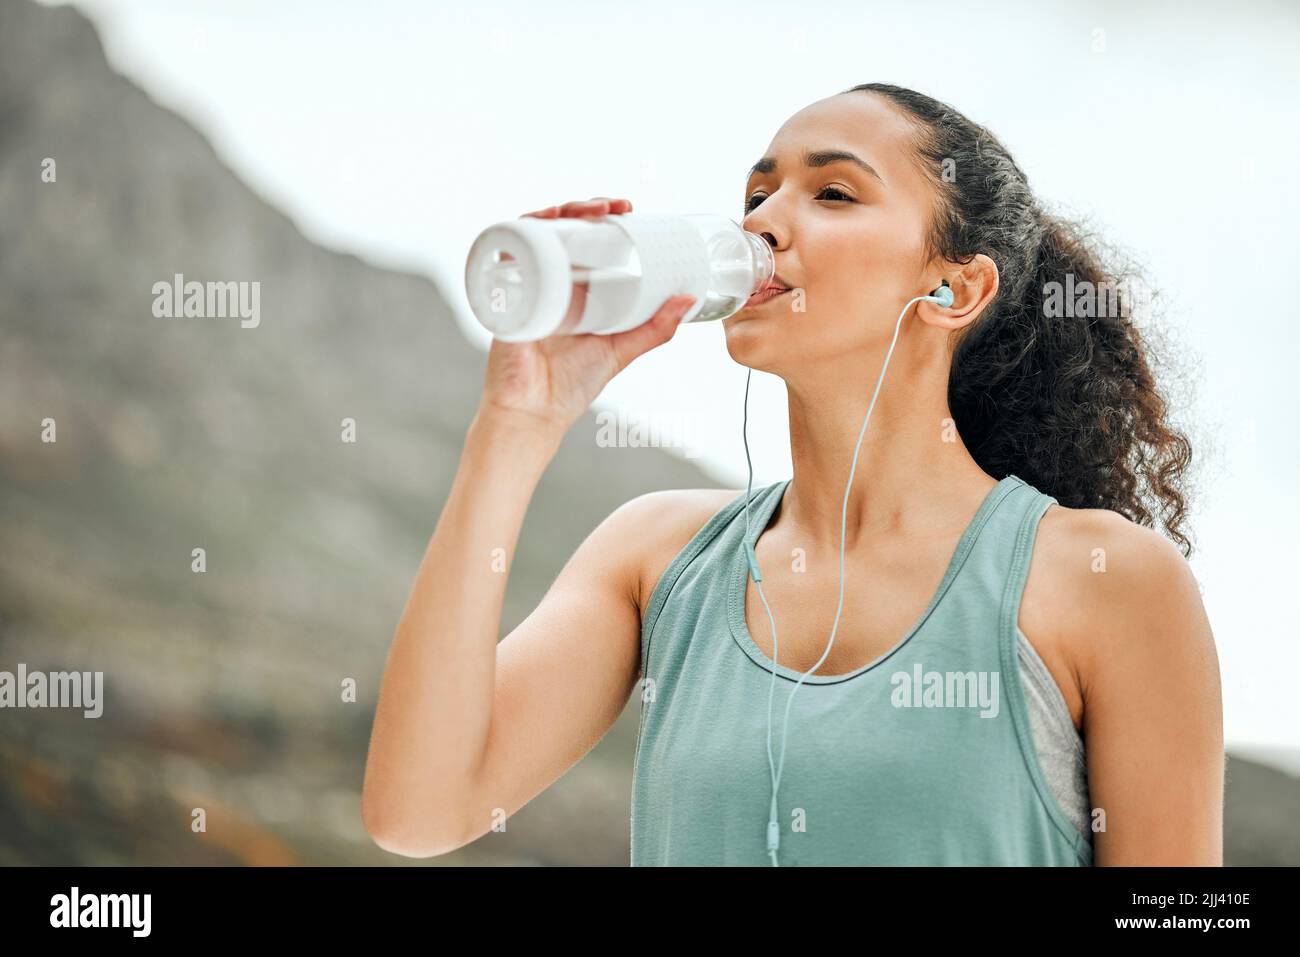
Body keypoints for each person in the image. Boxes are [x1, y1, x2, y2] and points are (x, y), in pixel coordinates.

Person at [361, 83, 1223, 866]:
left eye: (833, 192)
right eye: (757, 195)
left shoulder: (1106, 582)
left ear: (954, 290)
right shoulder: (657, 559)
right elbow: (419, 809)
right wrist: (518, 423)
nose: (763, 223)